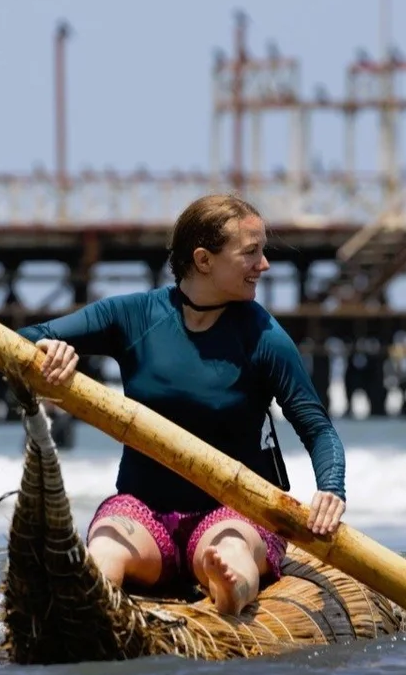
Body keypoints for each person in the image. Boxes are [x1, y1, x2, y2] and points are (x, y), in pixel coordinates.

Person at [17, 194, 347, 615]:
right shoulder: (134, 315)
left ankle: (230, 591)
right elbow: (22, 338)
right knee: (105, 546)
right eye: (251, 253)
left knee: (229, 551)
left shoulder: (264, 336)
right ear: (204, 260)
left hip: (235, 510)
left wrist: (331, 490)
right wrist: (49, 349)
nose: (264, 265)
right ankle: (88, 606)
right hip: (144, 510)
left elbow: (317, 428)